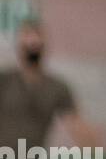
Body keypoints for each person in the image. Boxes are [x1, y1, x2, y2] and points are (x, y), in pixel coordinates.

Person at [0, 18, 96, 150]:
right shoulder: (5, 80)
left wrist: (97, 156)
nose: (32, 43)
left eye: (37, 38)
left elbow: (76, 125)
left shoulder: (56, 87)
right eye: (27, 37)